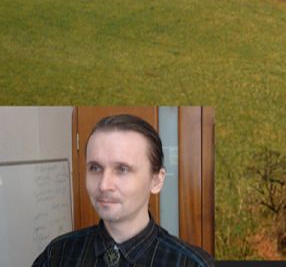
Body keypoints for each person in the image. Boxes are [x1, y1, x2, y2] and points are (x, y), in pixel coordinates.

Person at [32, 114, 214, 266]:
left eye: (122, 169)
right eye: (95, 168)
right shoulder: (58, 255)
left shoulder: (190, 263)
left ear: (157, 181)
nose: (104, 185)